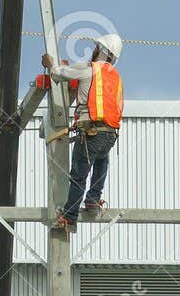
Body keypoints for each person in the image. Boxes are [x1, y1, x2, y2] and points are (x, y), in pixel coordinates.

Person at [42, 33, 124, 232]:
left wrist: (51, 64)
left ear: (101, 50)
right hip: (111, 133)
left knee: (79, 175)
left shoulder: (88, 69)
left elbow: (58, 74)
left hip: (91, 131)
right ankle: (93, 200)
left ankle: (69, 217)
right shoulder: (115, 76)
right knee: (101, 162)